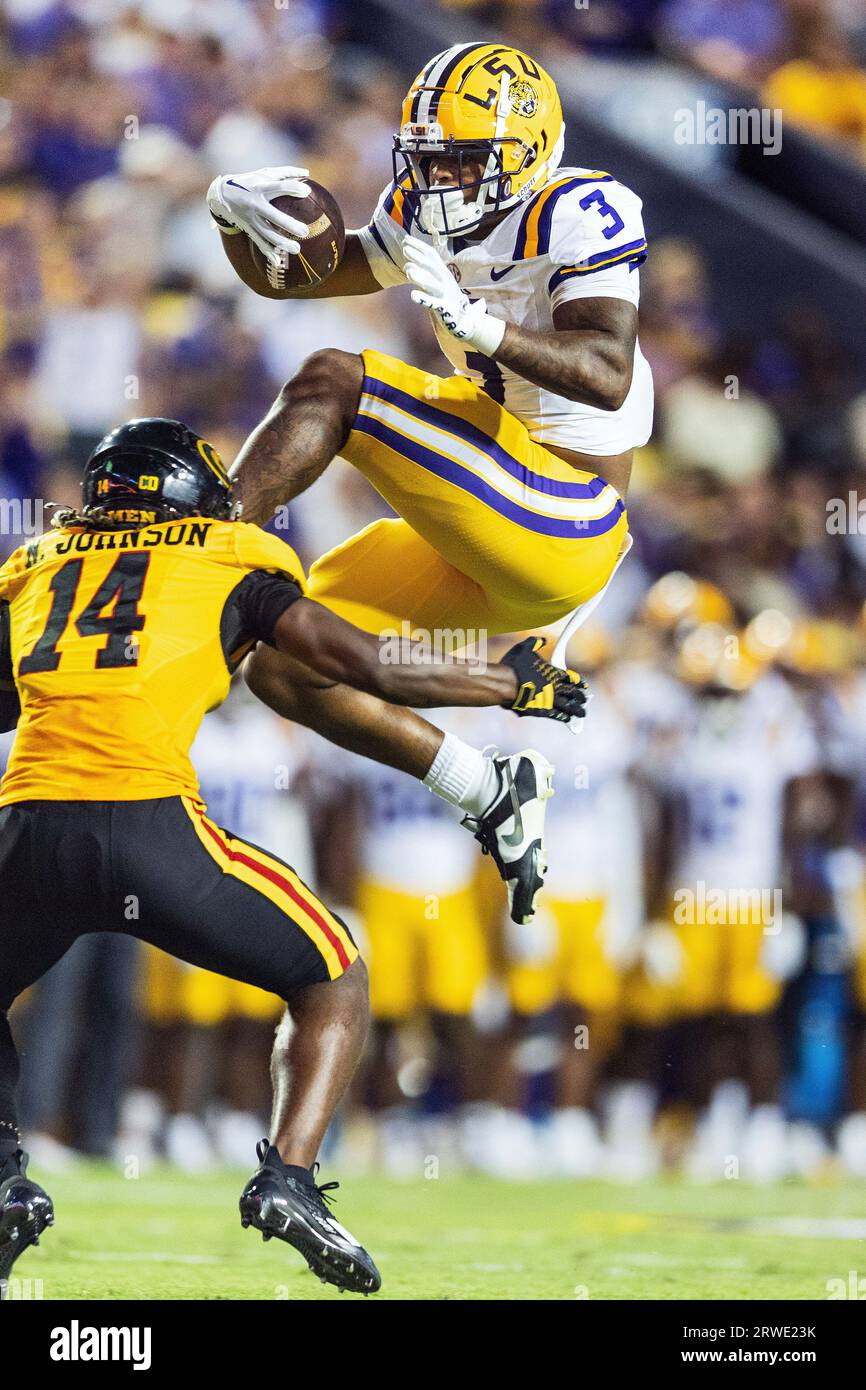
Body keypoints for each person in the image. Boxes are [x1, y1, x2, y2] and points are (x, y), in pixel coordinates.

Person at [0, 417, 586, 1298]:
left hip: (28, 829)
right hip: (150, 823)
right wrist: (506, 681)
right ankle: (290, 1179)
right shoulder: (230, 554)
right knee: (334, 971)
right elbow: (362, 663)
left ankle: (5, 1174)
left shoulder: (32, 566)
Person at [207, 40, 653, 782]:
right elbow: (303, 277)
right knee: (286, 656)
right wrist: (234, 217)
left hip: (569, 515)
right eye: (430, 155)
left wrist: (483, 327)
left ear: (528, 147)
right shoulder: (425, 208)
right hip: (485, 534)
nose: (441, 177)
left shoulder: (574, 209)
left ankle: (200, 542)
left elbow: (606, 371)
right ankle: (483, 787)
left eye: (465, 158)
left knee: (336, 381)